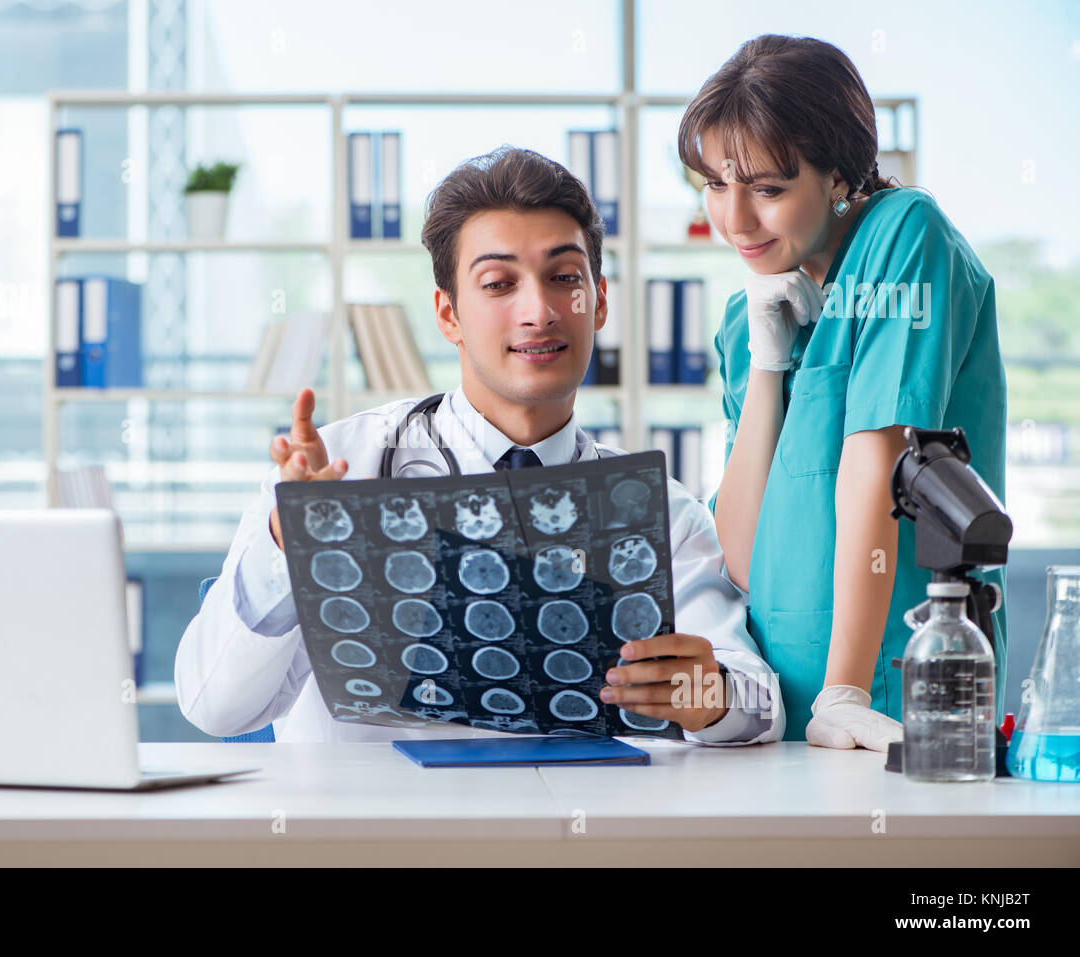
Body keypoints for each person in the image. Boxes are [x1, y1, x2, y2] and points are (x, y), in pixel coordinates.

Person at [175, 146, 784, 746]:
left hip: (568, 837)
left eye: (564, 278)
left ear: (598, 302)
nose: (538, 311)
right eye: (498, 284)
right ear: (448, 315)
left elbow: (762, 704)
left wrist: (710, 697)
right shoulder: (334, 470)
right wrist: (288, 542)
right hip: (367, 840)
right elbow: (212, 707)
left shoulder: (659, 514)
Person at [677, 35, 1008, 749]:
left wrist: (845, 689)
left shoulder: (903, 236)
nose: (733, 220)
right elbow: (738, 549)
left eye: (767, 189)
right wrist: (768, 367)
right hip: (767, 702)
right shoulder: (750, 316)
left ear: (839, 176)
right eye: (713, 183)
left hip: (883, 689)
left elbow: (876, 463)